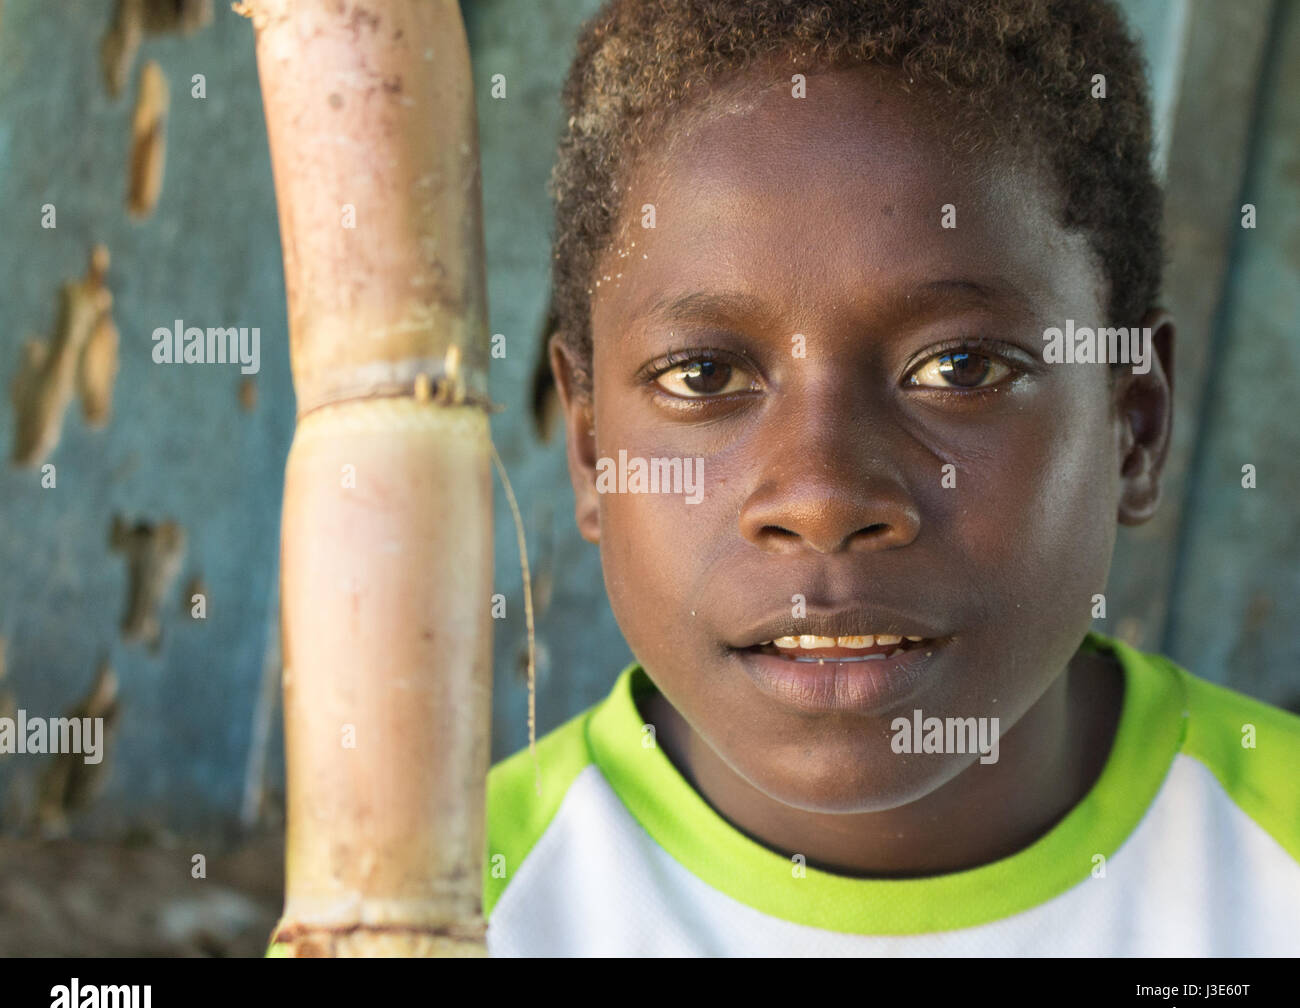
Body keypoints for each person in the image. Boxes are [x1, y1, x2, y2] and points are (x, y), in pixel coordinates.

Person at [486, 0, 1300, 957]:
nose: (823, 498)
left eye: (960, 368)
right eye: (704, 375)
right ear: (591, 451)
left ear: (1135, 424)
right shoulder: (435, 907)